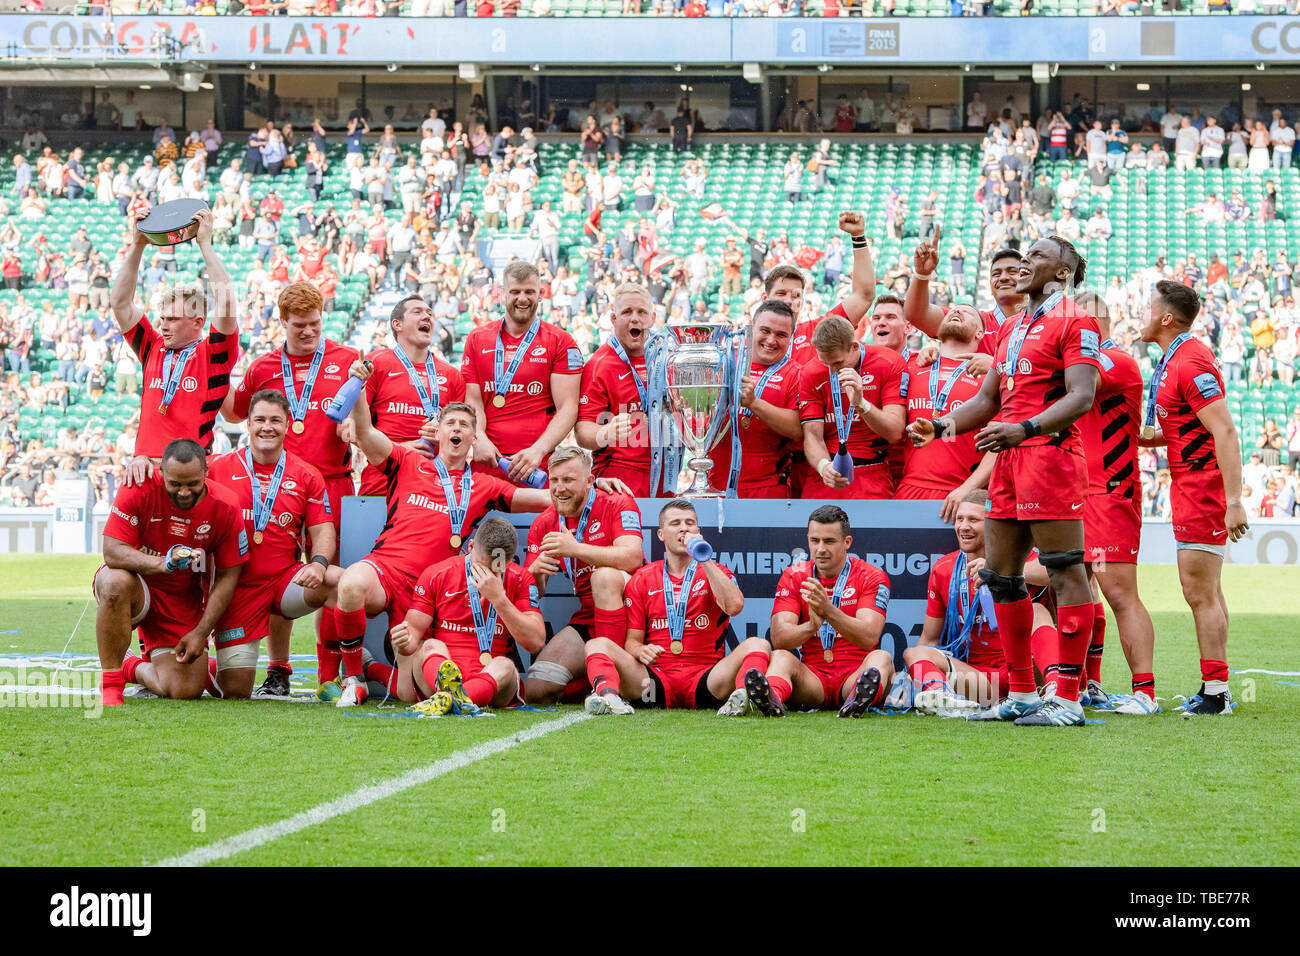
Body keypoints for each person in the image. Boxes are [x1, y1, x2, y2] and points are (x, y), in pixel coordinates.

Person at [908, 236, 1101, 726]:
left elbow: (1081, 395)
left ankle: (1069, 699)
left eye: (1037, 258)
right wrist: (942, 425)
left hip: (1049, 455)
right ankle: (1021, 693)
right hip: (1011, 461)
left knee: (1062, 570)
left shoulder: (1076, 321)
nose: (1022, 265)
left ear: (1063, 272)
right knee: (1001, 576)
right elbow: (989, 401)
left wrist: (1025, 428)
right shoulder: (1013, 327)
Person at [326, 393, 546, 707]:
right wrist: (360, 394)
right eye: (450, 423)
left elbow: (545, 499)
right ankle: (353, 679)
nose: (457, 428)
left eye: (465, 425)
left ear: (473, 437)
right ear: (437, 432)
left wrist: (590, 486)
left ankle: (371, 667)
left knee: (407, 690)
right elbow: (365, 434)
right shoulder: (408, 460)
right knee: (349, 584)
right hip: (386, 569)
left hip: (427, 588)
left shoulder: (486, 485)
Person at [1139, 280, 1249, 715]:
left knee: (1198, 590)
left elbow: (1223, 429)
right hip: (1188, 484)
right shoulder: (1174, 361)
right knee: (1207, 590)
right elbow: (1184, 428)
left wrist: (1234, 500)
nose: (1143, 313)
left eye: (1149, 307)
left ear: (1166, 317)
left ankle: (1216, 692)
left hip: (1202, 487)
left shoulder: (1189, 361)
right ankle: (1215, 684)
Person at [94, 438, 249, 706]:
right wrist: (162, 564)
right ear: (161, 473)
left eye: (193, 484)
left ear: (205, 473)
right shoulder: (138, 485)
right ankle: (111, 684)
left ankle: (130, 666)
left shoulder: (226, 505)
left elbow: (228, 576)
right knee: (114, 581)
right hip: (136, 585)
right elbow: (112, 551)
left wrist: (201, 632)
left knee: (184, 690)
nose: (184, 492)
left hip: (180, 600)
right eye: (175, 484)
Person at [579, 499, 768, 717]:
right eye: (675, 523)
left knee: (758, 644)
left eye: (690, 523)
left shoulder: (716, 572)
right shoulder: (643, 577)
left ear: (698, 531)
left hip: (707, 680)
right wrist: (640, 651)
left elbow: (734, 607)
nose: (684, 528)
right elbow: (632, 641)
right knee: (597, 644)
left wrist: (704, 559)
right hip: (654, 680)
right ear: (661, 534)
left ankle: (742, 696)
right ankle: (609, 698)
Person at [208, 390, 340, 699]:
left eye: (275, 420)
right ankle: (197, 665)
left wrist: (319, 563)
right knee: (235, 691)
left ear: (287, 424)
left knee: (340, 582)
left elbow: (323, 530)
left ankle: (345, 678)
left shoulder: (306, 474)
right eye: (260, 420)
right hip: (235, 588)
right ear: (248, 425)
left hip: (284, 581)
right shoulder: (216, 469)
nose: (267, 427)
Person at [1073, 292, 1159, 714]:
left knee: (1118, 592)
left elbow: (1079, 385)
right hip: (1075, 491)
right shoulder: (1085, 360)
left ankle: (1145, 694)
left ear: (1095, 321)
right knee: (1077, 585)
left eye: (1075, 320)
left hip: (1110, 491)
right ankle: (1090, 684)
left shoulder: (1115, 360)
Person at [110, 208, 238, 482]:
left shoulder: (212, 356)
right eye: (163, 318)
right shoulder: (152, 347)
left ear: (197, 322)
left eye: (173, 319)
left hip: (189, 477)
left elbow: (226, 300)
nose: (163, 325)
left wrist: (204, 244)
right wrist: (137, 245)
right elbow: (120, 303)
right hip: (144, 472)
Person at [223, 282, 358, 529]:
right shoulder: (262, 367)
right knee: (278, 561)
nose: (308, 331)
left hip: (334, 483)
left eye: (314, 323)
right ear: (283, 321)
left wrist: (354, 423)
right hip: (280, 485)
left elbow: (366, 418)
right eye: (299, 325)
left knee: (333, 564)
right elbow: (234, 414)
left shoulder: (348, 359)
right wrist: (215, 374)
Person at [379, 517, 545, 714]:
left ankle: (449, 699)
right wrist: (402, 641)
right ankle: (454, 697)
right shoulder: (438, 573)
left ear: (508, 560)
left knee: (505, 666)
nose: (486, 575)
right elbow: (411, 641)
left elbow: (535, 642)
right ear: (471, 546)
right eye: (480, 566)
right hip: (438, 675)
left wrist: (499, 600)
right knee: (431, 646)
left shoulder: (520, 578)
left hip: (491, 680)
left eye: (495, 569)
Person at [743, 505, 894, 718]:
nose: (820, 549)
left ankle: (855, 702)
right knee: (780, 656)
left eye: (829, 541)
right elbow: (779, 638)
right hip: (813, 681)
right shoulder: (794, 576)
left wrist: (827, 610)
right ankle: (772, 699)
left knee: (882, 658)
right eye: (815, 541)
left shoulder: (872, 576)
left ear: (847, 542)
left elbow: (869, 637)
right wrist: (812, 626)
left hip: (855, 675)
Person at [522, 445, 644, 706]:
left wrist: (575, 548)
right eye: (554, 480)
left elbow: (633, 557)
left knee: (603, 578)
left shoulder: (616, 499)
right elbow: (536, 590)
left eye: (568, 480)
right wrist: (536, 573)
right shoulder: (543, 523)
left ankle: (612, 685)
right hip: (591, 616)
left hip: (634, 610)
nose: (559, 488)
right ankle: (601, 687)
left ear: (590, 481)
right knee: (537, 689)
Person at [460, 261, 583, 486]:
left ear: (541, 294)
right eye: (515, 292)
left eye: (529, 292)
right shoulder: (477, 338)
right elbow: (472, 402)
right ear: (502, 294)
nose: (522, 299)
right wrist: (479, 439)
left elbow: (568, 407)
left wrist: (538, 450)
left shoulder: (560, 341)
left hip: (537, 468)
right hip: (488, 462)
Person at [574, 282, 675, 497]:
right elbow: (583, 432)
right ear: (614, 319)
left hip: (666, 478)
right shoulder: (599, 364)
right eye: (627, 312)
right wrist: (606, 432)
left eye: (642, 312)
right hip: (619, 480)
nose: (635, 318)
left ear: (652, 318)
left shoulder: (668, 359)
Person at [358, 294, 466, 495]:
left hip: (433, 486)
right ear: (397, 324)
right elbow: (350, 428)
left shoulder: (452, 375)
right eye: (417, 312)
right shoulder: (376, 364)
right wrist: (394, 450)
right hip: (383, 483)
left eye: (430, 313)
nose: (427, 317)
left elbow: (463, 435)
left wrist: (444, 437)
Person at [798, 313, 906, 500]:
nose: (832, 371)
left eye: (838, 363)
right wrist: (824, 467)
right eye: (825, 363)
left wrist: (860, 404)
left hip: (872, 473)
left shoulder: (888, 362)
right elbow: (812, 435)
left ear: (854, 346)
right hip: (826, 474)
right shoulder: (811, 372)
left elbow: (895, 432)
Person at [705, 299, 803, 498]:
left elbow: (798, 430)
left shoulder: (796, 374)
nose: (771, 340)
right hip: (713, 487)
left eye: (781, 335)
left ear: (791, 337)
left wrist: (754, 403)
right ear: (751, 328)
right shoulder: (722, 361)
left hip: (769, 490)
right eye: (765, 331)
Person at [897, 304, 987, 501]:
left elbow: (999, 446)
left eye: (967, 312)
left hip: (959, 495)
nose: (956, 311)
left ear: (980, 333)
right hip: (907, 489)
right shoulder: (912, 365)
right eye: (952, 311)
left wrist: (967, 489)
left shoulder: (988, 376)